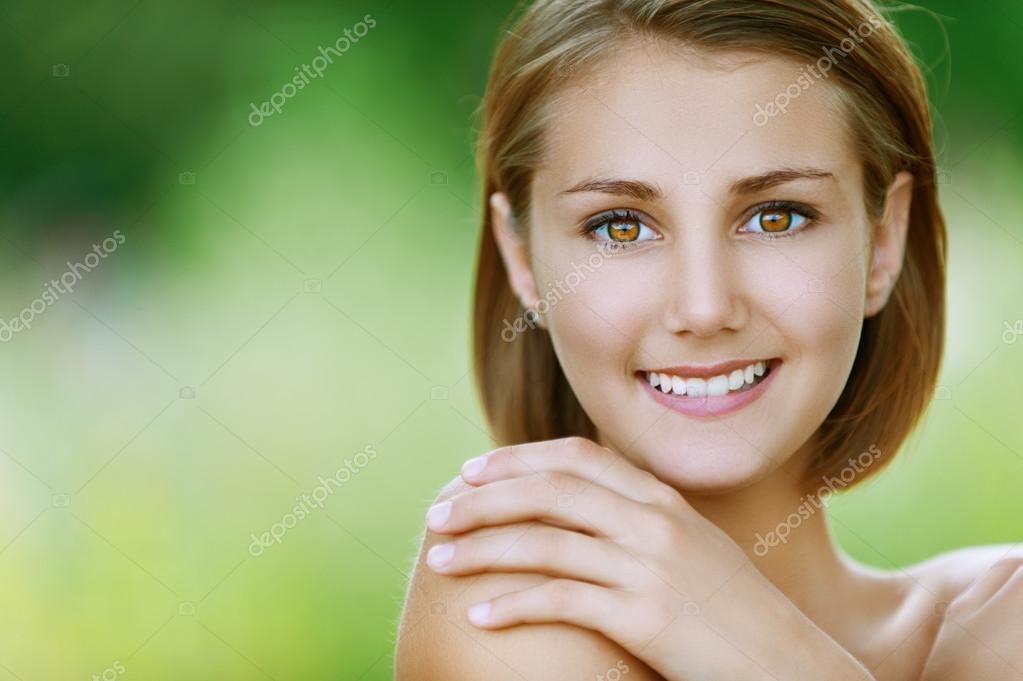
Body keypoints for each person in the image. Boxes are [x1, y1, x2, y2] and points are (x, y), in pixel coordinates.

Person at [396, 1, 1022, 678]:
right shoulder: (508, 605)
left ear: (884, 239)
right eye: (620, 226)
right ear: (521, 259)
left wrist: (765, 646)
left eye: (775, 216)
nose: (703, 307)